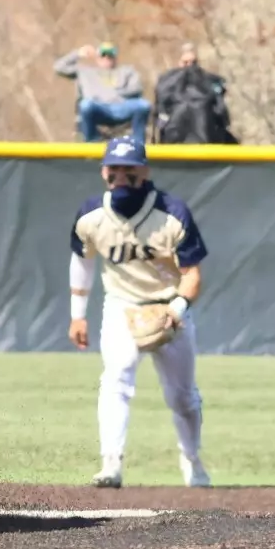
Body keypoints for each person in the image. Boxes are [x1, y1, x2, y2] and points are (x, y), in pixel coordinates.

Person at [68, 137, 211, 490]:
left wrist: (177, 308)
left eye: (128, 169)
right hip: (121, 306)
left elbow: (192, 275)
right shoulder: (91, 215)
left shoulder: (172, 214)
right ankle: (111, 464)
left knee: (182, 397)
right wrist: (78, 314)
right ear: (103, 171)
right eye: (113, 169)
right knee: (116, 378)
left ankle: (192, 461)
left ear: (144, 171)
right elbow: (82, 260)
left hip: (168, 307)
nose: (120, 176)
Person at [55, 42, 150, 143]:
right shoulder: (84, 71)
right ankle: (91, 140)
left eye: (110, 55)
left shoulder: (127, 71)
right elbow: (59, 67)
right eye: (103, 55)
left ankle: (138, 144)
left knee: (143, 105)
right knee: (86, 105)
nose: (106, 58)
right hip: (98, 108)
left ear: (115, 58)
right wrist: (78, 53)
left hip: (121, 106)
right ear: (97, 57)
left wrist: (117, 93)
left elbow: (136, 88)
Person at [153, 43, 236, 145]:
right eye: (186, 62)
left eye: (193, 62)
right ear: (179, 62)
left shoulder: (166, 83)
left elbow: (160, 119)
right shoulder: (211, 83)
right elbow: (223, 116)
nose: (190, 66)